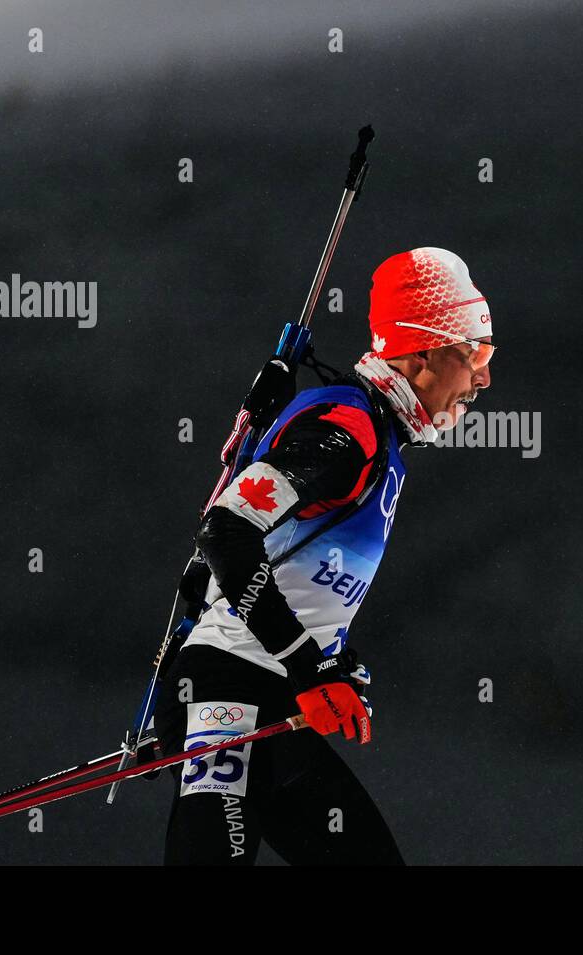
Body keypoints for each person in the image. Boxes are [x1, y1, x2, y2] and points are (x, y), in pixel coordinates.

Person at [156, 247, 495, 865]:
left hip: (273, 693)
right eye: (475, 352)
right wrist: (310, 667)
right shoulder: (348, 429)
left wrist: (331, 660)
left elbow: (297, 579)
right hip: (230, 689)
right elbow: (225, 532)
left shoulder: (383, 441)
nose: (483, 377)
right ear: (422, 350)